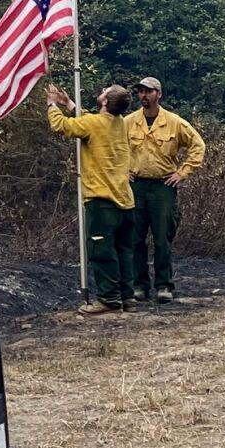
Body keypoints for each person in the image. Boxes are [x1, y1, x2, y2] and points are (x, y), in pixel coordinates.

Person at [46, 81, 136, 315]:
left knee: (101, 251)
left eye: (103, 93)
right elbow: (89, 122)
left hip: (102, 200)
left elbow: (61, 126)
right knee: (124, 251)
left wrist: (53, 105)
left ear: (105, 102)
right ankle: (127, 297)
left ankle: (108, 299)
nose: (100, 93)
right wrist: (69, 103)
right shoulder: (120, 124)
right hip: (126, 200)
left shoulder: (95, 124)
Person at [125, 76, 205, 303]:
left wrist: (182, 172)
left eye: (148, 92)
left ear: (159, 94)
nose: (144, 96)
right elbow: (113, 146)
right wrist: (123, 170)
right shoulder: (129, 122)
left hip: (162, 187)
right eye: (140, 92)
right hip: (136, 185)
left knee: (162, 238)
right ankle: (139, 286)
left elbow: (197, 146)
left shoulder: (174, 122)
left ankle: (163, 286)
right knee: (135, 238)